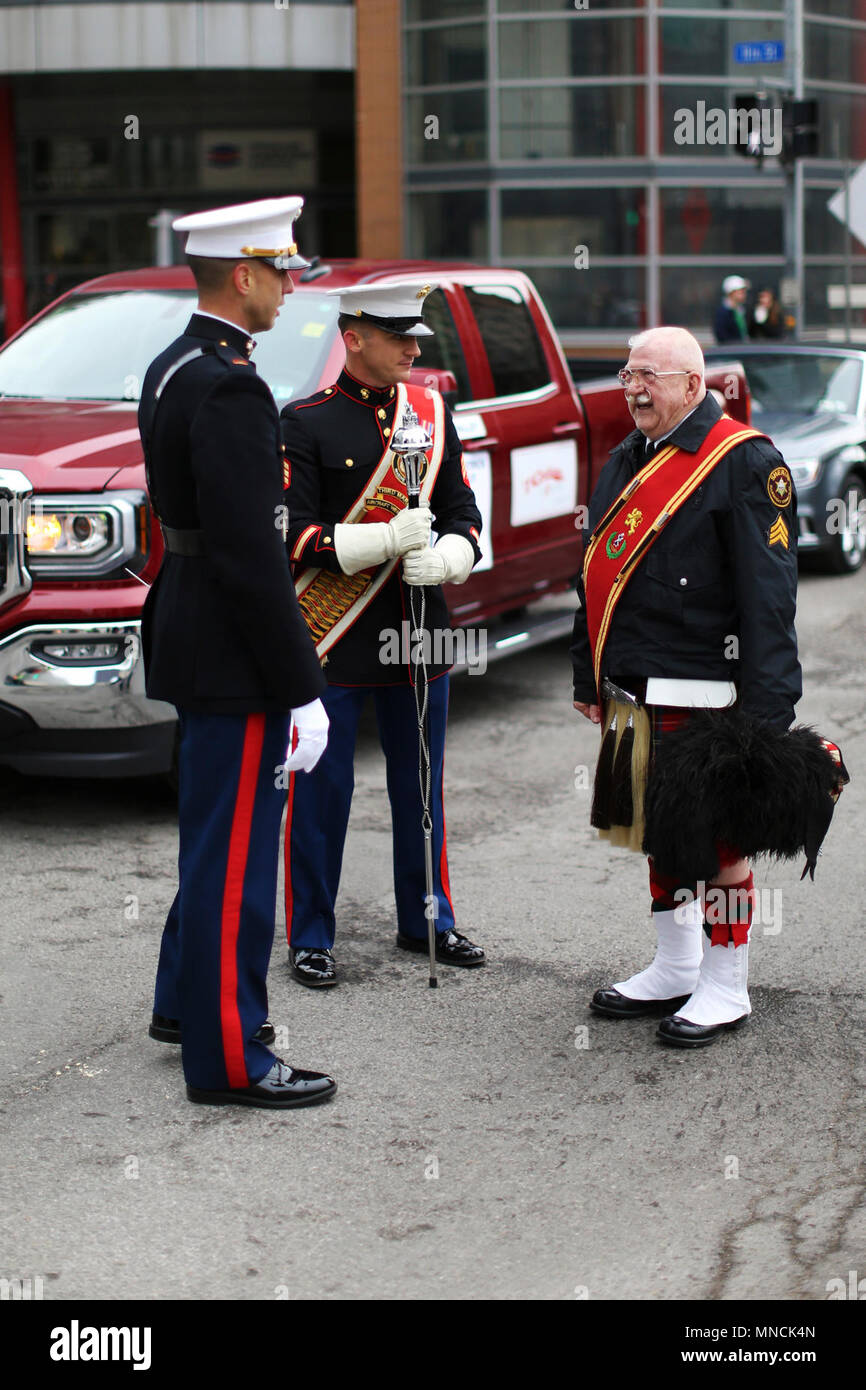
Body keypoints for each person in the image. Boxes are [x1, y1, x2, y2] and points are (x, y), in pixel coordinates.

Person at [138, 197, 337, 1107]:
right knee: (236, 864)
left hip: (192, 626)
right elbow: (252, 556)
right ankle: (229, 1060)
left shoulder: (176, 361)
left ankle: (186, 1002)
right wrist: (301, 687)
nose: (292, 286)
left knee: (212, 837)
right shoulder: (229, 385)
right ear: (246, 274)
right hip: (230, 646)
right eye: (284, 270)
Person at [570, 326, 801, 1047]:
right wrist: (591, 674)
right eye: (626, 373)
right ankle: (676, 964)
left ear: (694, 386)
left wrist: (768, 715)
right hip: (635, 687)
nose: (633, 388)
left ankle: (726, 983)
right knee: (656, 835)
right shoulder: (625, 459)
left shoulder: (745, 461)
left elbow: (769, 600)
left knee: (720, 845)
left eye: (650, 375)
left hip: (710, 693)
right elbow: (595, 579)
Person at [279, 279, 486, 987]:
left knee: (423, 788)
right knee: (320, 793)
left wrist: (455, 553)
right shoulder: (303, 422)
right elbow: (294, 535)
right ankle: (311, 935)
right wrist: (379, 539)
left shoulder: (429, 411)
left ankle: (429, 920)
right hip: (334, 638)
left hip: (420, 630)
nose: (413, 348)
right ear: (355, 336)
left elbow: (462, 509)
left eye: (416, 337)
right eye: (398, 336)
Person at [713, 275, 750, 344]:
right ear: (731, 293)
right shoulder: (722, 313)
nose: (744, 294)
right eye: (741, 292)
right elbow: (722, 336)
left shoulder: (742, 311)